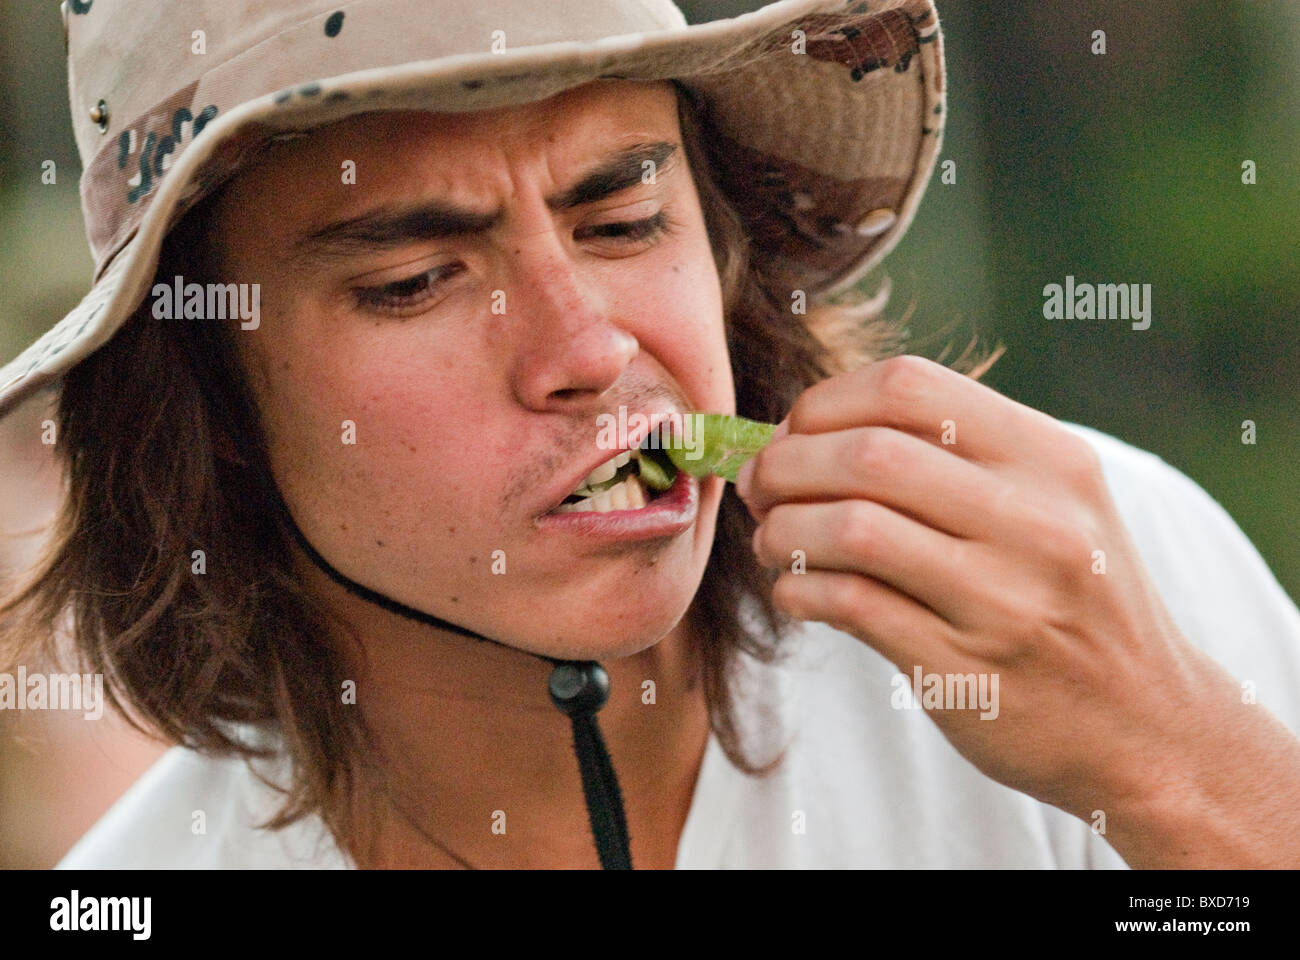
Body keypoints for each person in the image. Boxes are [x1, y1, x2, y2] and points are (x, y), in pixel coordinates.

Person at [3, 0, 1298, 869]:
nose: (590, 351)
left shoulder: (1095, 577)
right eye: (416, 283)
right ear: (211, 401)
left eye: (623, 223)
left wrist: (1183, 776)